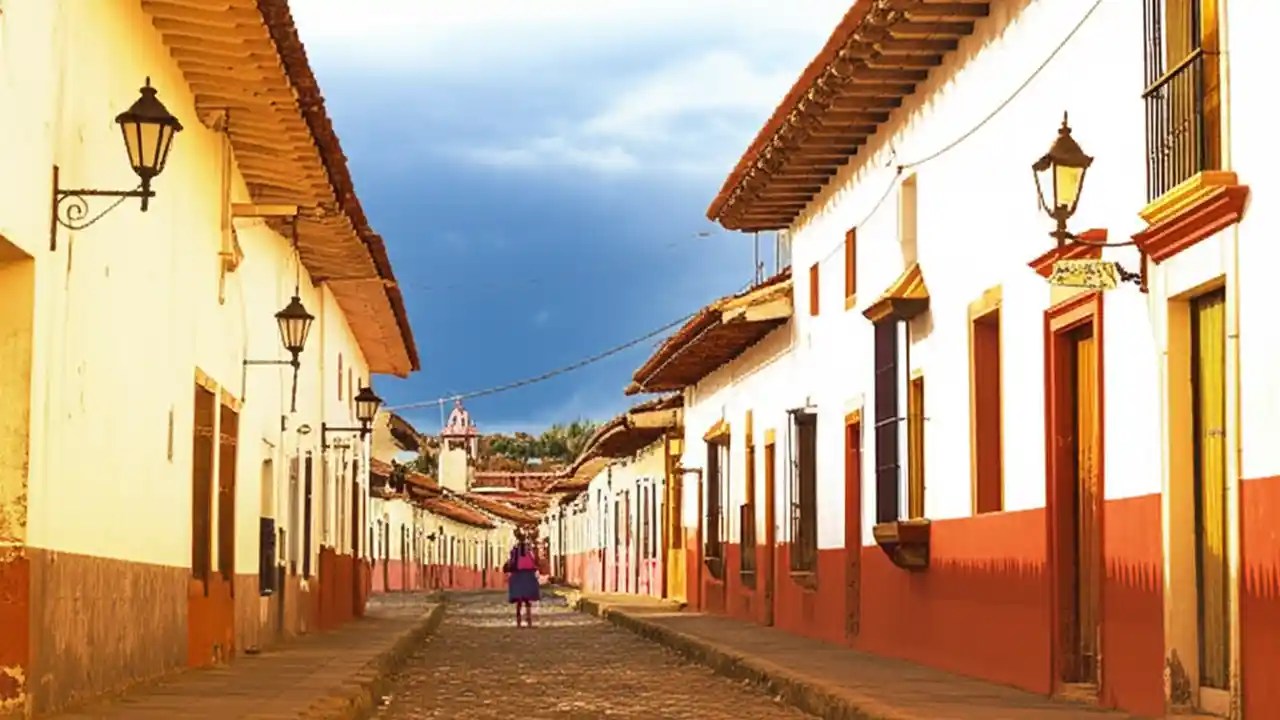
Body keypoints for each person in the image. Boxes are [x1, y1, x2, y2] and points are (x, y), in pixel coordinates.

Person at [504, 529, 540, 627]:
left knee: (519, 601)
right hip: (528, 574)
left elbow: (511, 562)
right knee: (528, 600)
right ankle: (529, 621)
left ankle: (519, 622)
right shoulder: (529, 549)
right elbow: (535, 560)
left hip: (518, 575)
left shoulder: (514, 550)